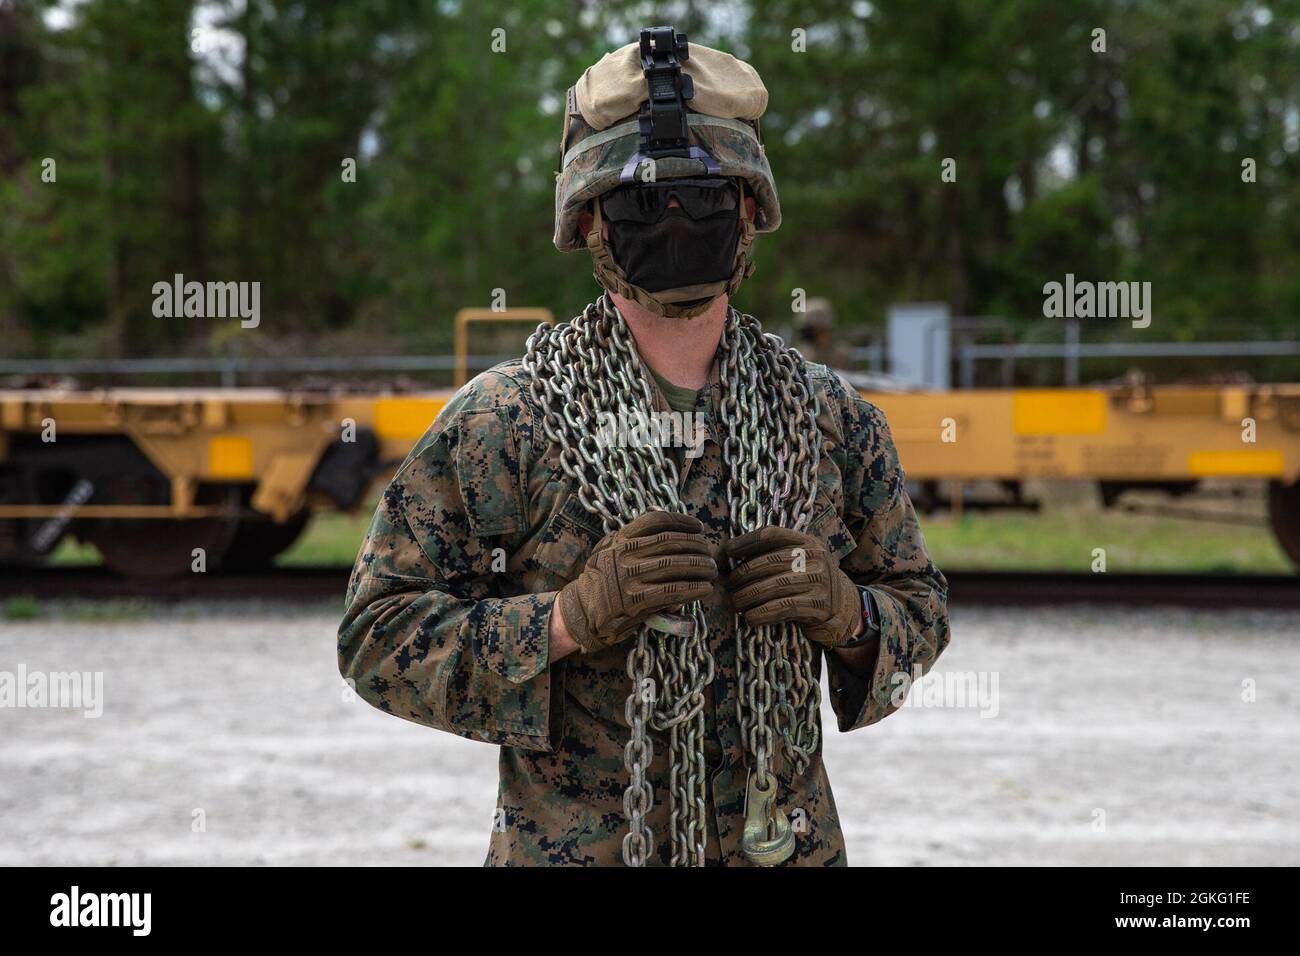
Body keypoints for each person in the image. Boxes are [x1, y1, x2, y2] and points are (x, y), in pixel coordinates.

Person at [338, 27, 949, 867]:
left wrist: (850, 618)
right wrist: (563, 623)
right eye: (640, 203)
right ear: (587, 219)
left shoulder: (831, 420)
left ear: (746, 211)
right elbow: (376, 638)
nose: (672, 221)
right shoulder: (505, 423)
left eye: (701, 198)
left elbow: (919, 614)